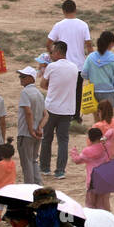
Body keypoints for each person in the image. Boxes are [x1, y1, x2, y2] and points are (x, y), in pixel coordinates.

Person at [38, 41, 77, 180]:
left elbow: (42, 84)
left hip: (52, 108)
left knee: (47, 138)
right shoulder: (74, 67)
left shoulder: (52, 67)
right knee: (63, 141)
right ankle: (60, 170)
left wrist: (53, 88)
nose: (51, 54)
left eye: (53, 52)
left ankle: (45, 167)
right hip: (67, 109)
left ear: (58, 52)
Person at [82, 30, 114, 119]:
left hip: (94, 92)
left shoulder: (91, 57)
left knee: (97, 120)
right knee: (108, 120)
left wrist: (92, 77)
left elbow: (84, 74)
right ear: (111, 44)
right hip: (109, 93)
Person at [15, 67, 45, 185]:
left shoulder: (25, 92)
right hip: (37, 134)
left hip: (26, 133)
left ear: (30, 78)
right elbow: (45, 115)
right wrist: (39, 128)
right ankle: (39, 189)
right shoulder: (39, 94)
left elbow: (28, 112)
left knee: (27, 165)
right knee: (33, 161)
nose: (20, 79)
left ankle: (29, 194)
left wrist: (31, 130)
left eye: (23, 77)